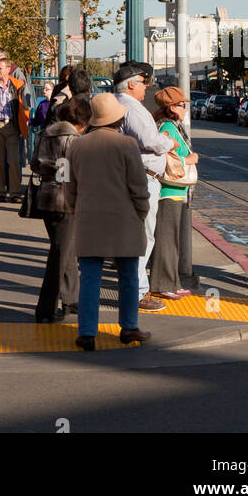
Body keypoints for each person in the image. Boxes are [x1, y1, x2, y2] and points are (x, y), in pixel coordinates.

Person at [66, 92, 152, 350]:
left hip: (88, 219)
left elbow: (69, 187)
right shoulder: (127, 145)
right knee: (128, 275)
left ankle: (87, 332)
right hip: (124, 218)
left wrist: (75, 210)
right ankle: (128, 327)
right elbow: (139, 187)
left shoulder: (76, 145)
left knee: (90, 276)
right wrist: (142, 213)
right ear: (117, 118)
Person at [114, 62, 175, 311]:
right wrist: (168, 142)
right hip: (143, 177)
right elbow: (150, 141)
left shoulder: (117, 104)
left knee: (134, 237)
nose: (146, 89)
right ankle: (138, 293)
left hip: (130, 175)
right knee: (143, 237)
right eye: (143, 83)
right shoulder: (132, 108)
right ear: (131, 84)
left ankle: (133, 289)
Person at [32, 95, 91, 323]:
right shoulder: (75, 140)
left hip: (46, 197)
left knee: (65, 250)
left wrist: (52, 170)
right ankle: (45, 309)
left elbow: (35, 164)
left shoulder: (45, 133)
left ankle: (71, 299)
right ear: (83, 122)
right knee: (59, 255)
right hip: (67, 201)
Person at [149, 86, 199, 300]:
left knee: (173, 240)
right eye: (182, 104)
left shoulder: (173, 125)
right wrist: (190, 159)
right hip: (169, 191)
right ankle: (162, 283)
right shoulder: (167, 127)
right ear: (172, 107)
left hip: (177, 190)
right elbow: (165, 157)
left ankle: (172, 282)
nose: (185, 108)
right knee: (167, 240)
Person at [0, 51, 30, 202]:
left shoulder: (18, 86)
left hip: (12, 126)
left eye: (0, 68)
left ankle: (15, 193)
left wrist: (24, 123)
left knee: (14, 161)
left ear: (8, 69)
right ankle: (0, 191)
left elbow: (26, 105)